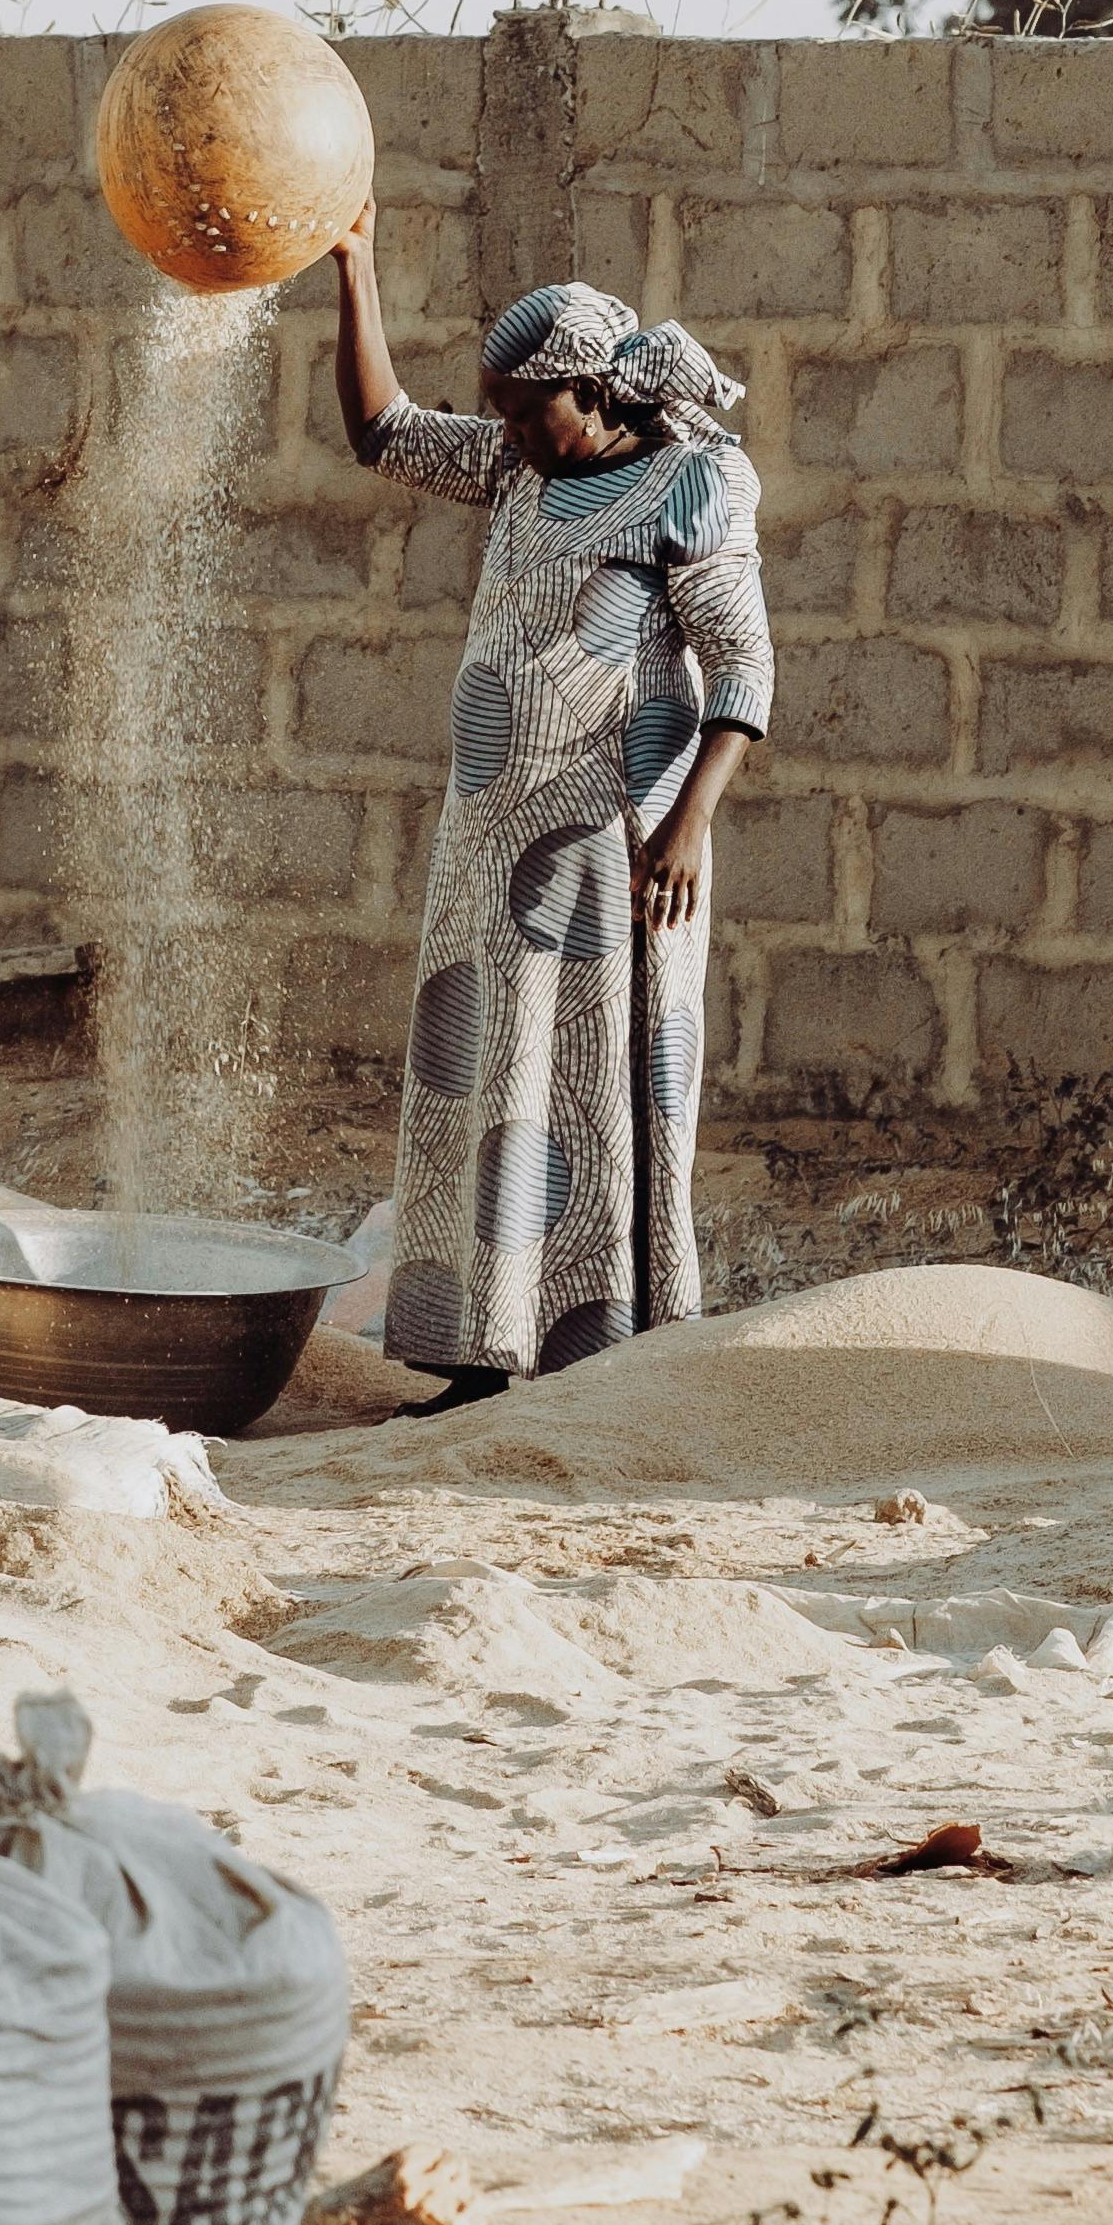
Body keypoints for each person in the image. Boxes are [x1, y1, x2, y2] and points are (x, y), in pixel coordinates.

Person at [329, 213, 770, 1405]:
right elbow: (384, 431)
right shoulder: (525, 468)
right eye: (504, 414)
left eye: (533, 411)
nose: (513, 435)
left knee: (587, 1088)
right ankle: (481, 1357)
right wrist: (352, 265)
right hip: (491, 839)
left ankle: (601, 1364)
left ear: (595, 388)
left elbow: (742, 670)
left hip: (612, 846)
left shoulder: (693, 480)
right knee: (491, 1077)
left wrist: (692, 824)